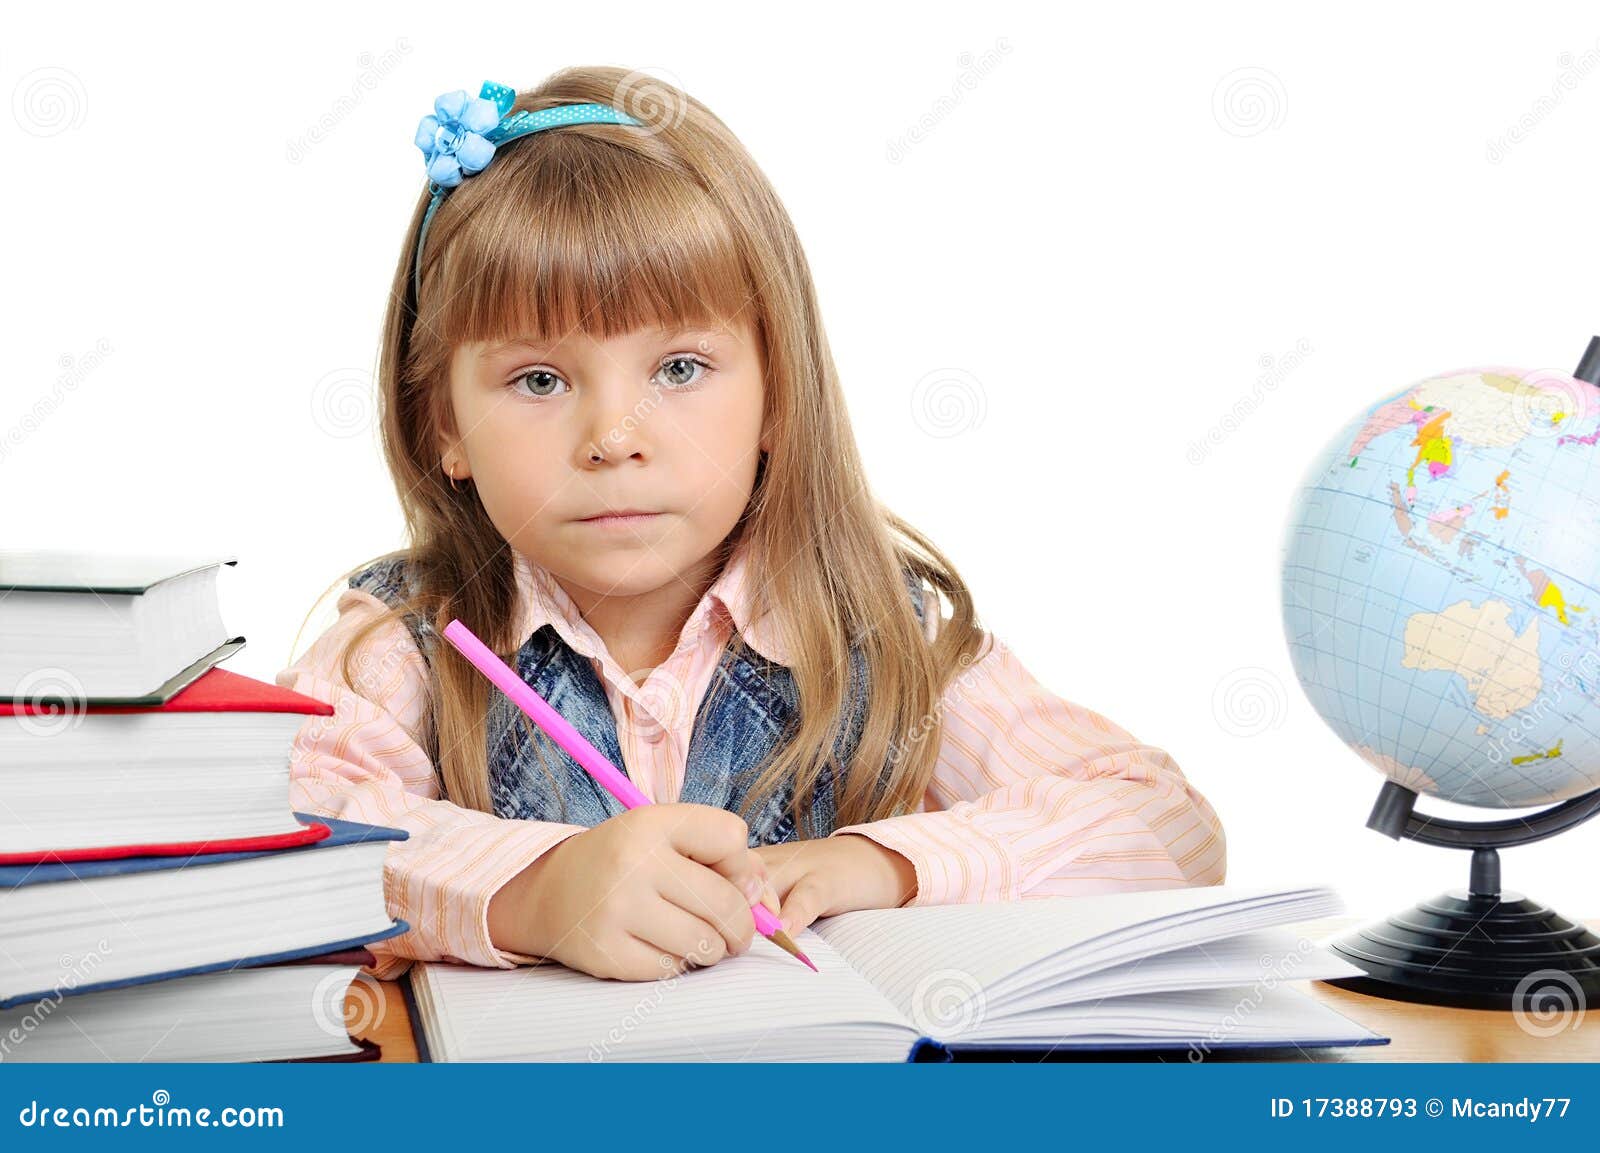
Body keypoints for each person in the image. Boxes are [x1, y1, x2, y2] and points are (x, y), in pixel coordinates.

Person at [276, 66, 1226, 984]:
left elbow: (1168, 825)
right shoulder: (399, 642)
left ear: (778, 395)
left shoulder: (884, 636)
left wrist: (888, 864)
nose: (612, 438)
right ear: (446, 425)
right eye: (538, 380)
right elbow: (281, 838)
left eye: (680, 368)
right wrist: (531, 891)